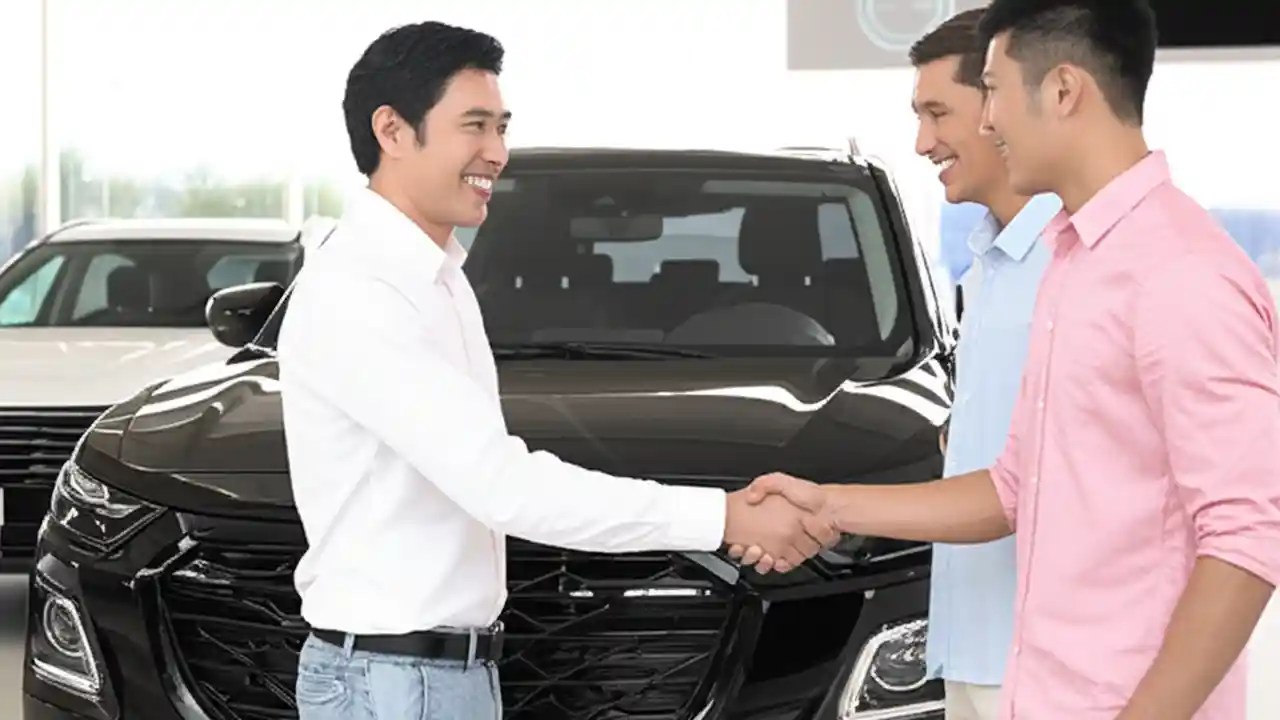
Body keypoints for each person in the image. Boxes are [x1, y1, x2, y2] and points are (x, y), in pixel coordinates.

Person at [276, 21, 836, 719]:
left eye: (502, 126)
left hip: (429, 676)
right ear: (391, 130)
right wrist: (722, 516)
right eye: (474, 126)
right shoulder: (362, 292)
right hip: (394, 684)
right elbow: (503, 486)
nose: (498, 153)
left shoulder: (438, 279)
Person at [735, 1, 1280, 718]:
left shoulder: (1182, 274)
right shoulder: (1071, 262)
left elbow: (1247, 536)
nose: (985, 122)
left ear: (1061, 90)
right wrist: (830, 504)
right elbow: (1010, 489)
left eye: (990, 90)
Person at [908, 9, 1061, 720]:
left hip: (1048, 665)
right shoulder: (991, 263)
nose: (922, 142)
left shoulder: (1078, 262)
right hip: (969, 647)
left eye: (939, 113)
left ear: (1002, 104)